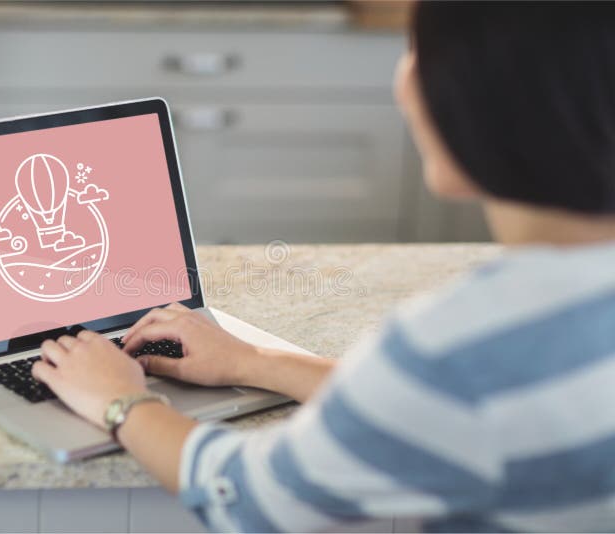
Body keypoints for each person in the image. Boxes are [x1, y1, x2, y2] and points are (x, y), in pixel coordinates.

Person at [32, 2, 615, 531]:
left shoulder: (459, 348)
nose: (406, 77)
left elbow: (248, 496)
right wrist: (254, 361)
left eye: (417, 50)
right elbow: (427, 410)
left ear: (475, 100)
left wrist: (120, 401)